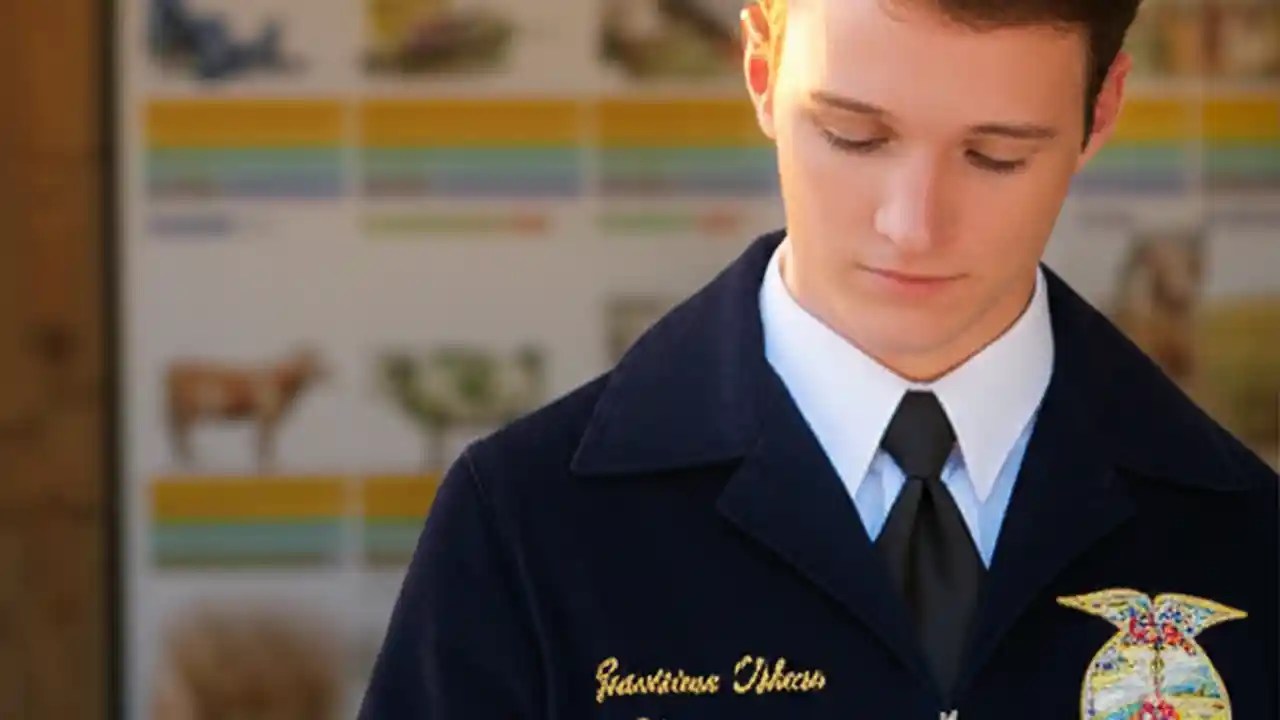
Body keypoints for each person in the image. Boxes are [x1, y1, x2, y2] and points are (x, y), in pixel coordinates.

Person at [359, 0, 1279, 716]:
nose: (911, 225)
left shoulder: (1249, 537)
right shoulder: (524, 527)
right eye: (854, 136)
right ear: (760, 65)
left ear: (1102, 109)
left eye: (996, 155)